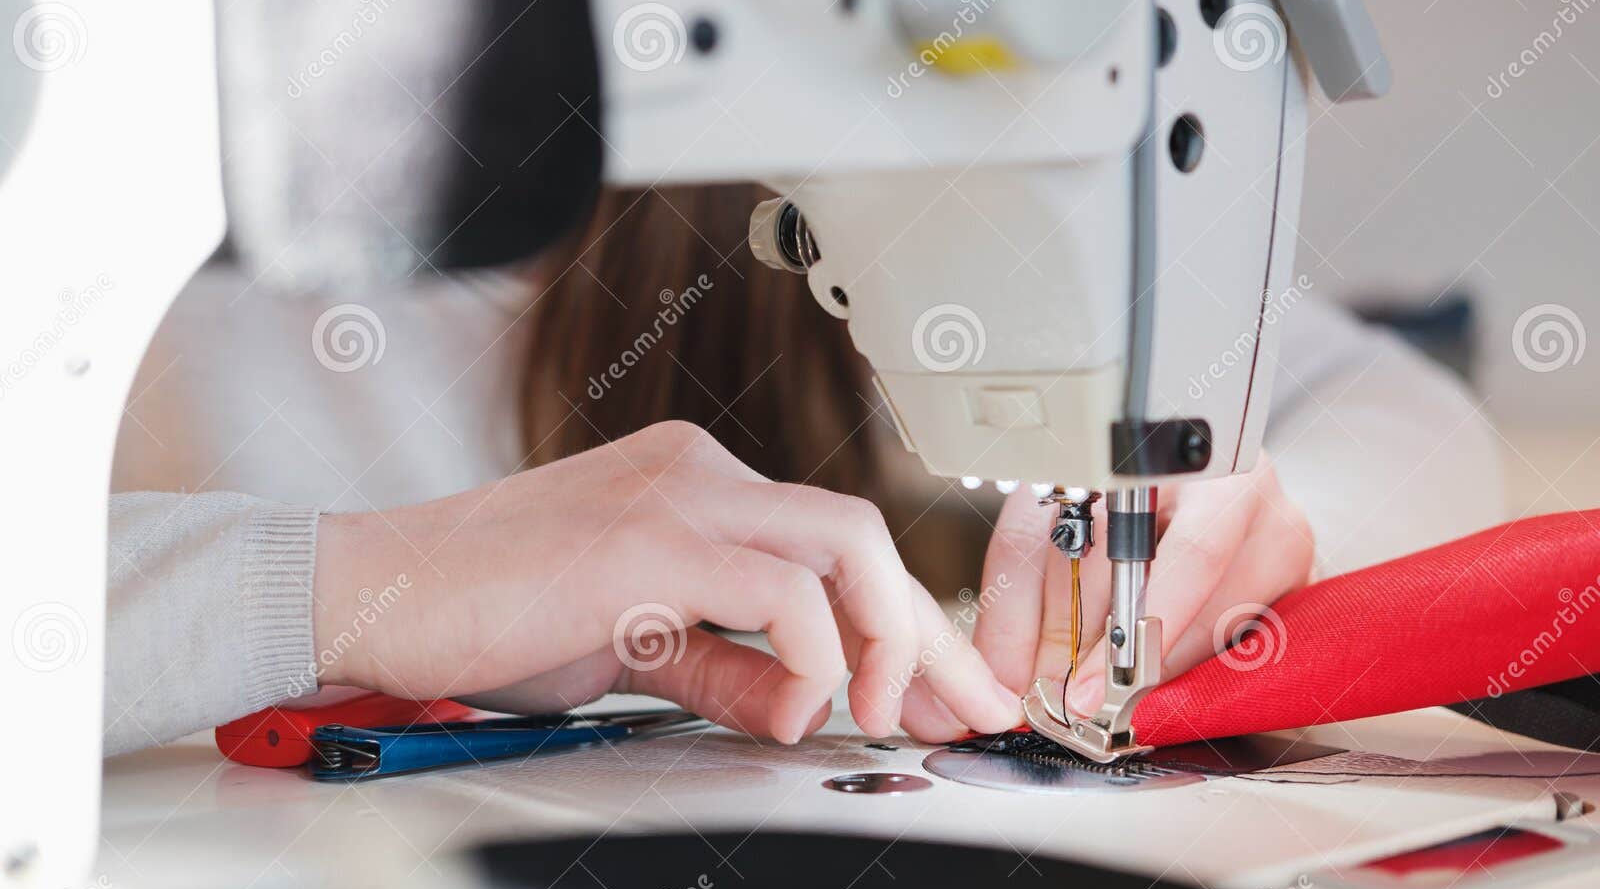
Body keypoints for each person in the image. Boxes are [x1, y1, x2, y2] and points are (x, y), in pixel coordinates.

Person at [106, 184, 1506, 756]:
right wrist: (329, 587)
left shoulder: (866, 179)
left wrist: (1276, 517)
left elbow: (1402, 411)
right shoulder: (149, 193)